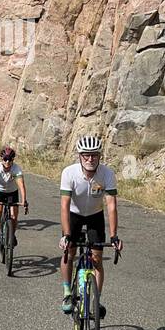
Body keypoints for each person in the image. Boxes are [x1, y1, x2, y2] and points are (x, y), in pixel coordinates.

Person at [59, 134, 122, 317]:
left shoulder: (107, 174)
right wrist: (66, 235)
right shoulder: (69, 173)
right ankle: (67, 293)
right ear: (80, 156)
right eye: (86, 155)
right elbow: (64, 205)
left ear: (99, 156)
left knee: (97, 260)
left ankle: (96, 300)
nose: (90, 159)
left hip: (95, 215)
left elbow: (111, 205)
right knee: (69, 252)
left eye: (94, 155)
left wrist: (114, 235)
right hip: (74, 215)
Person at [0, 146, 28, 250]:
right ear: (1, 159)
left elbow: (21, 185)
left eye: (10, 159)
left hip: (12, 192)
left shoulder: (16, 169)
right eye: (5, 159)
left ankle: (12, 234)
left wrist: (24, 200)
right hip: (0, 191)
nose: (7, 162)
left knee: (14, 215)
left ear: (13, 160)